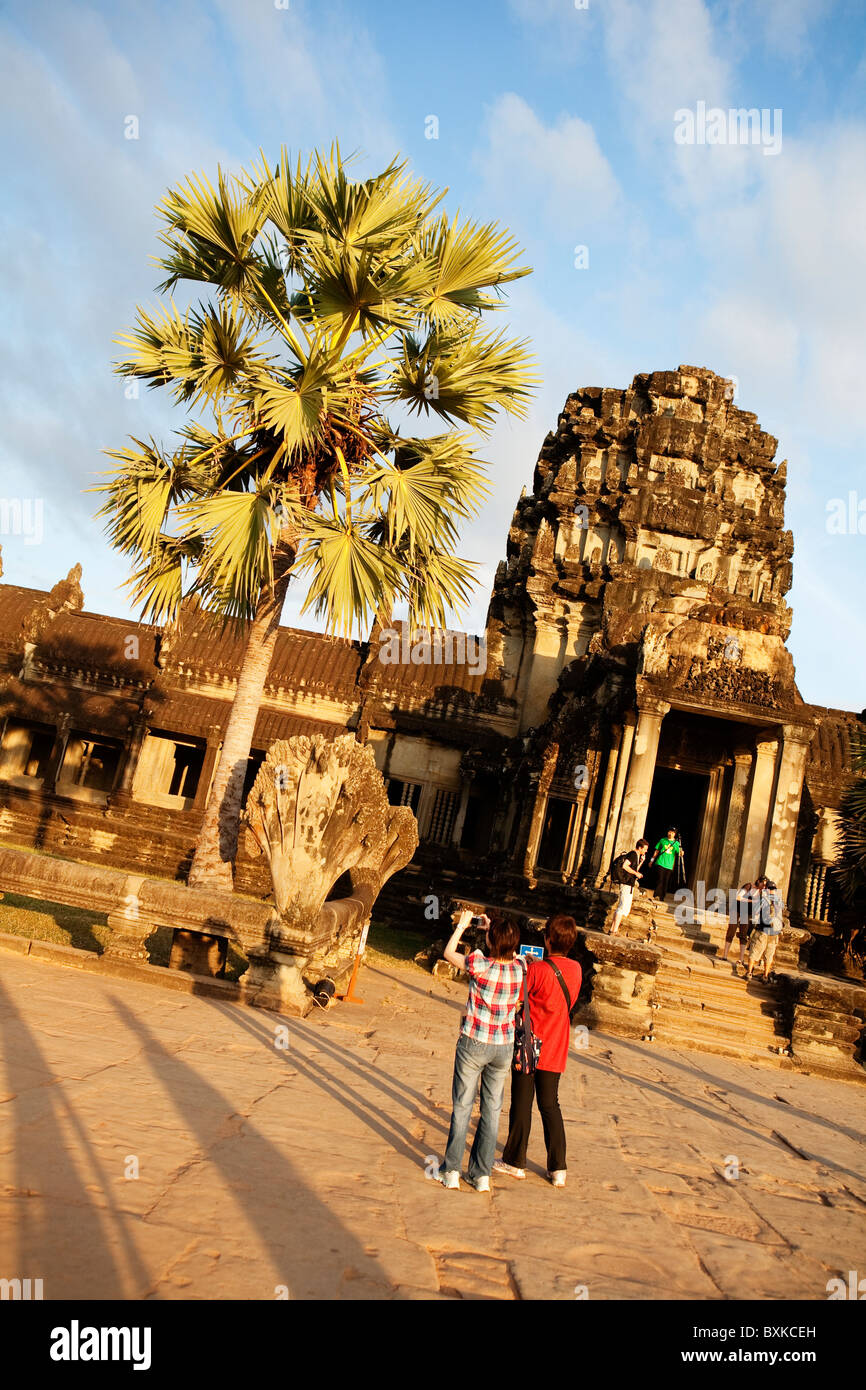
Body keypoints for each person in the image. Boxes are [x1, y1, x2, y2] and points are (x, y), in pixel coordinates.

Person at [436, 908, 524, 1192]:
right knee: (492, 1109)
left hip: (474, 1040)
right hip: (503, 1046)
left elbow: (449, 953)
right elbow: (512, 952)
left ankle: (451, 1171)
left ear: (490, 941)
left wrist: (462, 927)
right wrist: (492, 930)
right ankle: (481, 1174)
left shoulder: (479, 963)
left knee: (463, 1106)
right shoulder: (520, 967)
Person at [494, 915, 583, 1188]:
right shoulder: (577, 969)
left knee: (521, 1102)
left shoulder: (537, 971)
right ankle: (558, 1168)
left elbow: (519, 999)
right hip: (557, 1045)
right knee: (550, 1105)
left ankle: (514, 1161)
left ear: (547, 940)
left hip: (530, 1045)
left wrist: (531, 968)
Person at [746, 878, 784, 981]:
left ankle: (749, 973)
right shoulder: (779, 901)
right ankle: (765, 976)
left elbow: (756, 912)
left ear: (767, 889)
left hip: (762, 930)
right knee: (769, 955)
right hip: (774, 932)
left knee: (754, 951)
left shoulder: (764, 899)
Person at [609, 839, 649, 934]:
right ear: (640, 847)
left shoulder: (636, 856)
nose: (646, 851)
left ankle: (613, 929)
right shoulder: (633, 854)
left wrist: (641, 862)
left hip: (629, 884)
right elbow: (625, 866)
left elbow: (634, 868)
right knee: (622, 907)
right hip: (626, 884)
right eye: (645, 849)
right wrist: (636, 873)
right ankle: (613, 930)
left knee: (624, 907)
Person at [721, 882, 755, 970]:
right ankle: (725, 955)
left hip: (746, 911)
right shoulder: (748, 886)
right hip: (736, 909)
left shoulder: (761, 892)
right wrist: (751, 901)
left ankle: (741, 958)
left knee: (743, 934)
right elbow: (738, 897)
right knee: (731, 930)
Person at [649, 826, 683, 901]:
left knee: (666, 881)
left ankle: (662, 897)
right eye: (670, 832)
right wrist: (651, 860)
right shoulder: (662, 840)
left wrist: (682, 853)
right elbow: (656, 851)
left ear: (675, 834)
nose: (671, 833)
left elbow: (679, 853)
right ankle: (656, 895)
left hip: (669, 865)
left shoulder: (677, 843)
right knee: (660, 879)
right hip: (660, 863)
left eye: (673, 832)